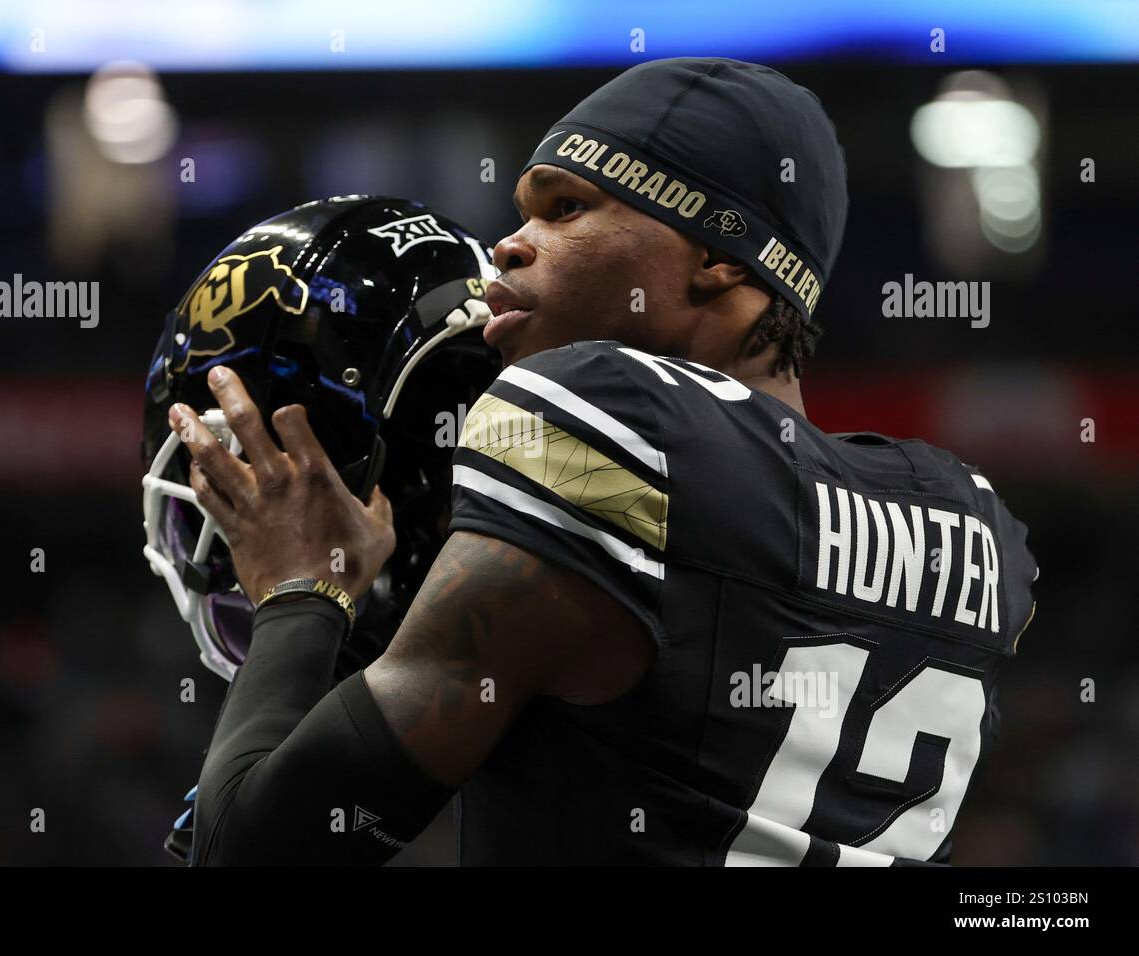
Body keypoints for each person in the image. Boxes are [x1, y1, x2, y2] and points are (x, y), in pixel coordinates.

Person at [174, 57, 1038, 865]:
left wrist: (301, 588)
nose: (509, 245)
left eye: (565, 209)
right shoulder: (968, 515)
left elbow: (251, 845)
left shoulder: (598, 408)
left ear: (719, 255)